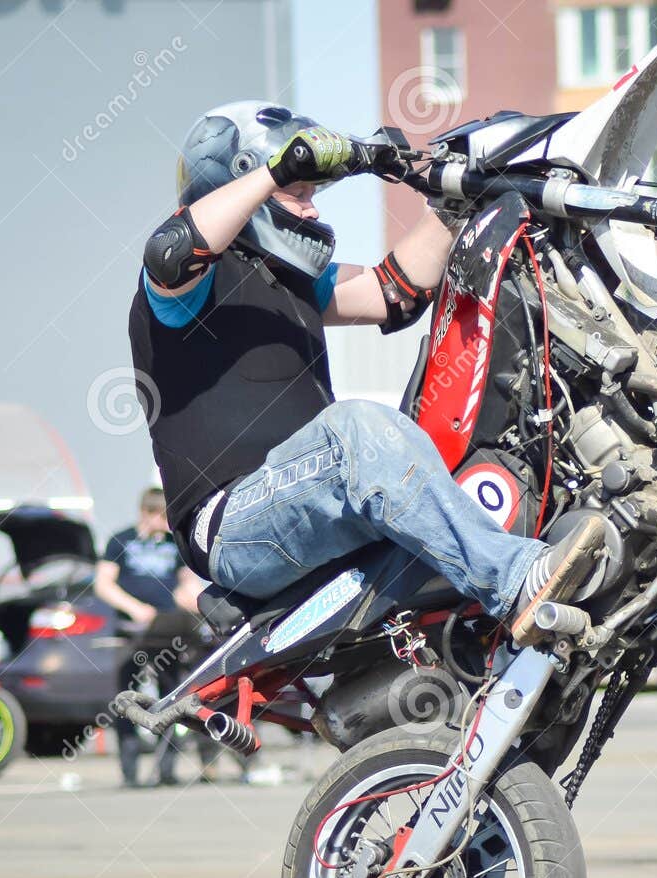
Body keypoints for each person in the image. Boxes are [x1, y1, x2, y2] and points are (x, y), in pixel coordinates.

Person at [127, 102, 604, 655]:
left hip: (310, 498)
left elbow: (395, 290)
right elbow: (171, 252)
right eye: (298, 194)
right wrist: (277, 170)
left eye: (311, 196)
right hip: (233, 525)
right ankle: (518, 581)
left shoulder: (293, 285)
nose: (309, 212)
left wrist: (457, 194)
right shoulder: (183, 291)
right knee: (358, 428)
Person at [95, 488, 204, 787]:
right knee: (126, 700)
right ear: (147, 513)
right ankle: (129, 773)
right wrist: (135, 609)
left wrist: (205, 606)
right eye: (162, 517)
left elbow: (186, 586)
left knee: (172, 698)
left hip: (168, 632)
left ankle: (167, 770)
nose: (167, 524)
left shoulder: (172, 544)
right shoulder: (121, 540)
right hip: (131, 633)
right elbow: (103, 584)